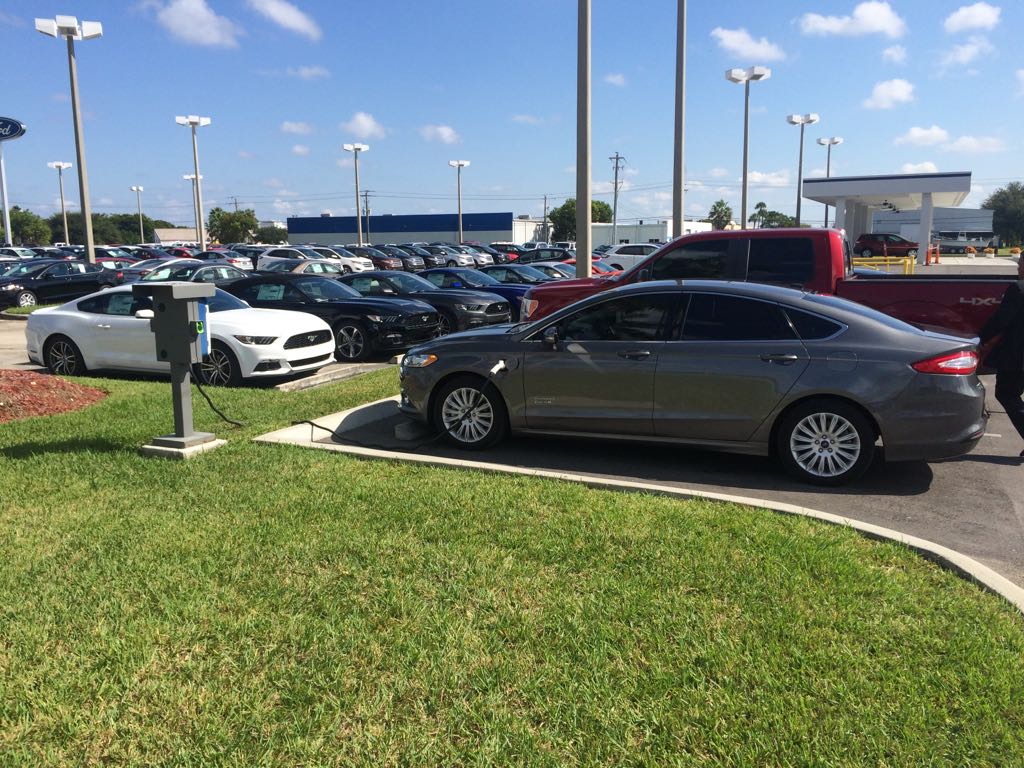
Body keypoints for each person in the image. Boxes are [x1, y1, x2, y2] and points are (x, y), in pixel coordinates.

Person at [979, 256, 1024, 456]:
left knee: (1007, 394)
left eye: (1021, 263)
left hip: (1017, 356)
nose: (1018, 267)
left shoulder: (1018, 289)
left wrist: (980, 338)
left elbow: (1001, 320)